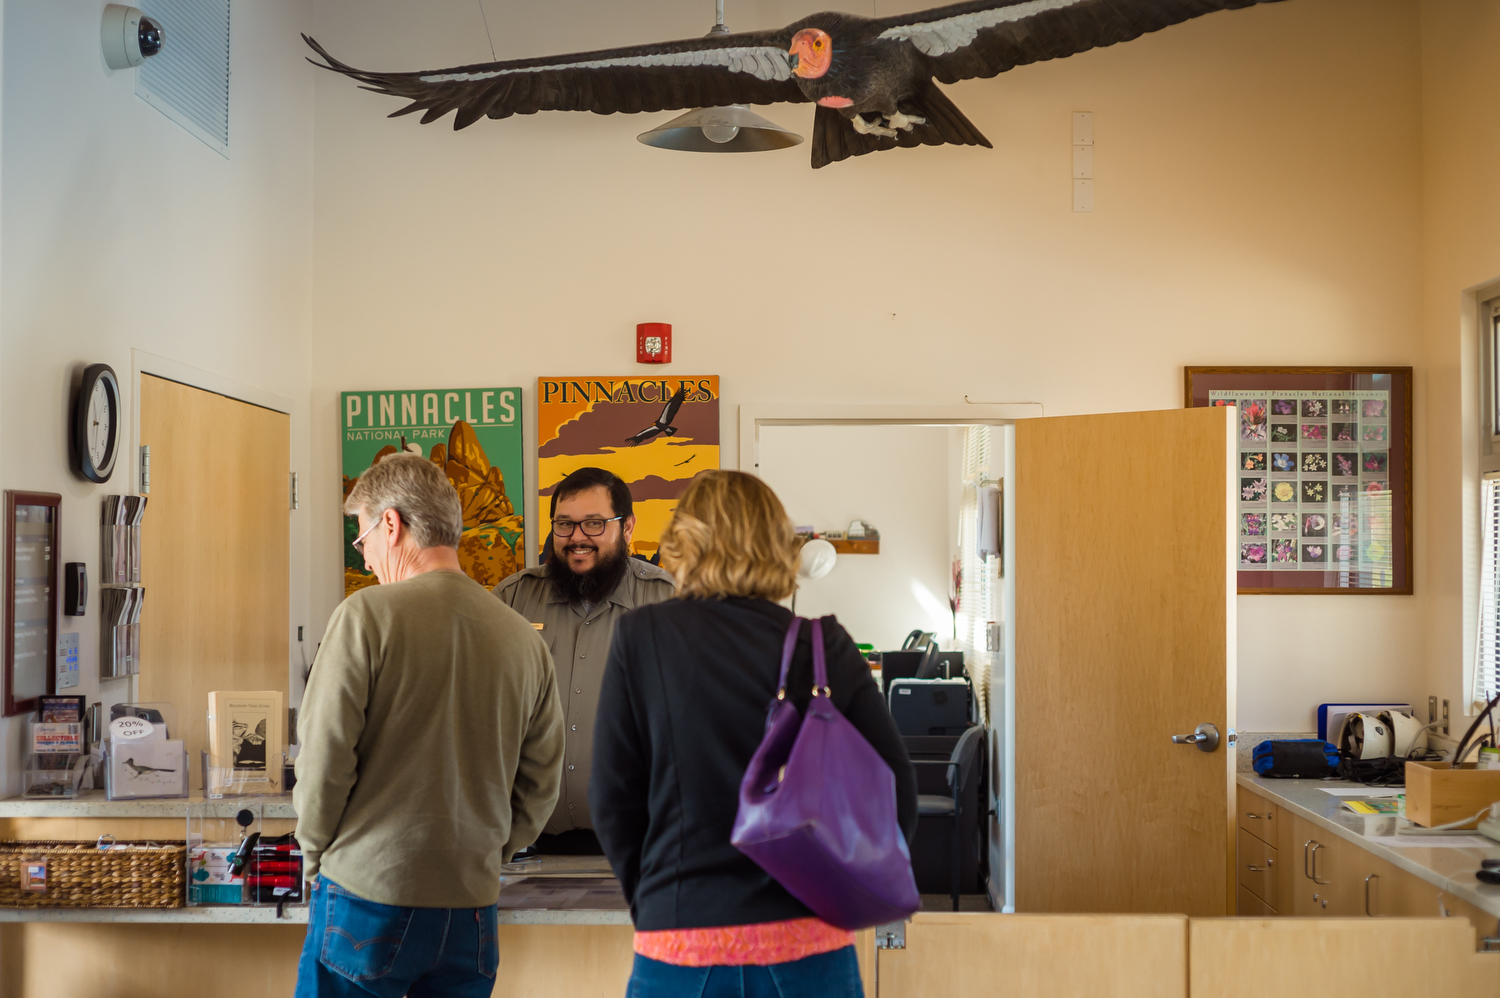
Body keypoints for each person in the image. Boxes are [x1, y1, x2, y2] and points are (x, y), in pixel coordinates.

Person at [590, 470, 917, 998]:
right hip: (808, 941)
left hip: (681, 940)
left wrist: (658, 901)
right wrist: (839, 885)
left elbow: (610, 799)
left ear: (683, 543)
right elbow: (895, 792)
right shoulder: (824, 646)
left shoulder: (641, 637)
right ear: (775, 546)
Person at [295, 454, 565, 998]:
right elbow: (540, 785)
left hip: (367, 894)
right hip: (470, 909)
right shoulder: (523, 640)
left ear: (391, 525)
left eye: (363, 538)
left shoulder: (365, 617)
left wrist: (314, 854)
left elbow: (324, 758)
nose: (367, 558)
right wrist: (487, 854)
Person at [494, 466, 676, 854]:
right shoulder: (512, 600)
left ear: (626, 528)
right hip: (526, 847)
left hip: (642, 850)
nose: (577, 538)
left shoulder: (669, 601)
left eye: (594, 524)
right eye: (565, 524)